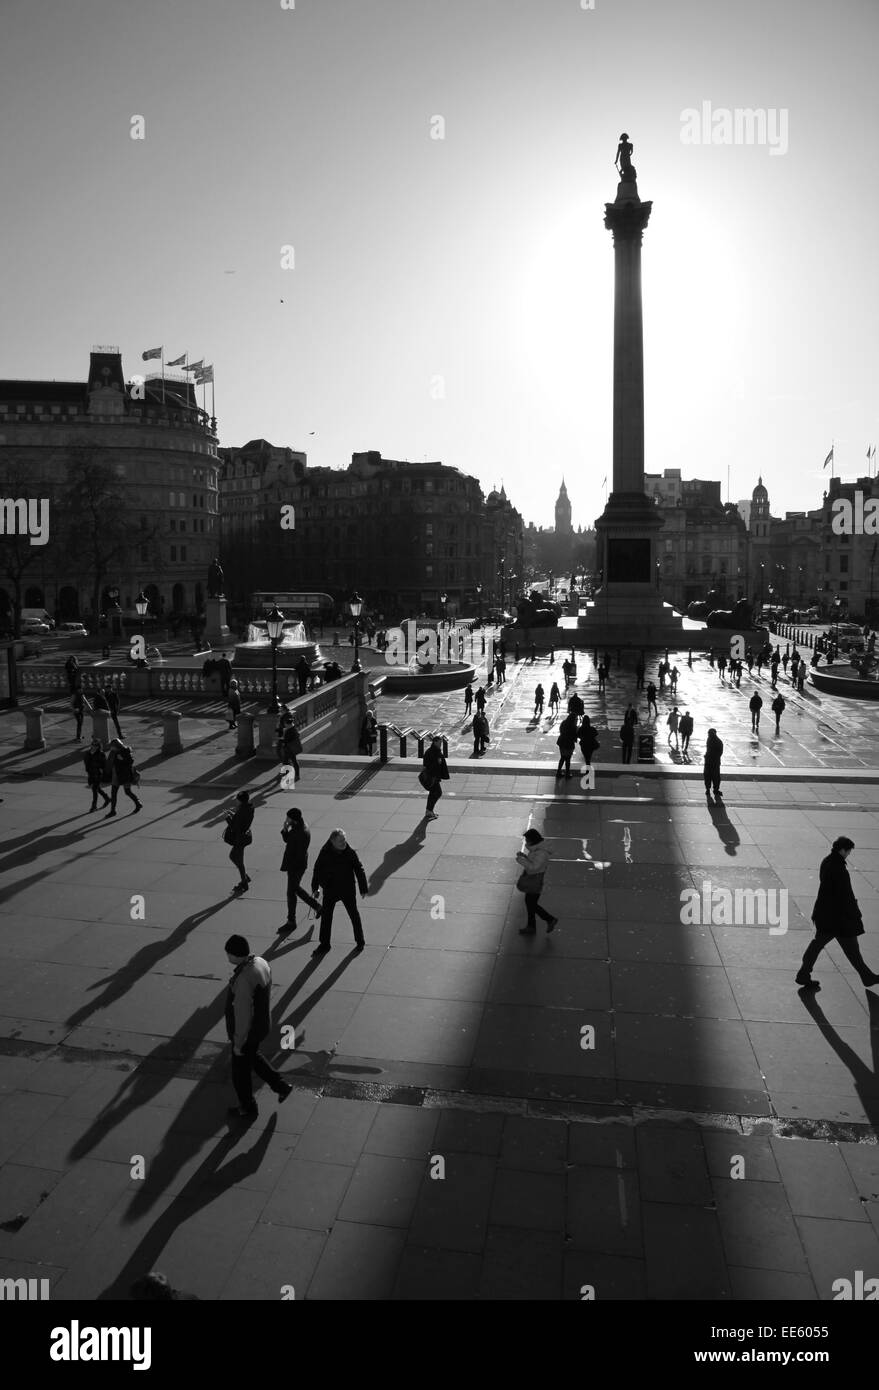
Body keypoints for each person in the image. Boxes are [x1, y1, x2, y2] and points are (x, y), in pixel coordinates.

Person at [224, 934, 292, 1119]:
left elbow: (242, 1015)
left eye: (228, 954)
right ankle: (281, 1086)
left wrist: (238, 1042)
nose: (227, 957)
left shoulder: (244, 979)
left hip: (248, 1032)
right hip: (262, 1024)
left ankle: (247, 1107)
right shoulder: (260, 962)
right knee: (254, 1057)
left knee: (240, 1073)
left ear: (236, 956)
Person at [796, 838, 879, 991]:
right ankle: (867, 977)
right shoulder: (839, 869)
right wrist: (855, 913)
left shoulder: (827, 861)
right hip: (839, 919)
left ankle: (803, 974)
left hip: (825, 915)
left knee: (819, 945)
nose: (849, 854)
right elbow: (845, 895)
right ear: (842, 850)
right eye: (848, 851)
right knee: (851, 950)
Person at [311, 829, 368, 956]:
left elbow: (359, 869)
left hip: (346, 888)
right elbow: (317, 869)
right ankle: (324, 944)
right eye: (341, 841)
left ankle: (360, 941)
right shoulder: (325, 851)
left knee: (353, 915)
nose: (344, 843)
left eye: (344, 840)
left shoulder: (349, 852)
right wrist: (315, 887)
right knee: (326, 917)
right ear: (332, 841)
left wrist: (363, 888)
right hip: (330, 889)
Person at [280, 807, 321, 932]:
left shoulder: (299, 832)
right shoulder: (300, 828)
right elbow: (288, 839)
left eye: (288, 818)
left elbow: (290, 843)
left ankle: (292, 921)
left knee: (292, 891)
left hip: (295, 866)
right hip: (299, 864)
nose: (287, 820)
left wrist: (286, 830)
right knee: (294, 891)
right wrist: (285, 829)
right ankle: (315, 908)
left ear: (293, 819)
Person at [515, 829, 558, 936]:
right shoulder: (537, 850)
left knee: (531, 904)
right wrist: (525, 857)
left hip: (535, 880)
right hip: (534, 879)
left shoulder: (541, 852)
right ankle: (532, 926)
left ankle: (549, 919)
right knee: (530, 903)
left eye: (527, 839)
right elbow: (534, 862)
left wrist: (521, 860)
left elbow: (534, 867)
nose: (526, 842)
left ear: (532, 840)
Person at [224, 789, 254, 893]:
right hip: (245, 836)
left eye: (237, 800)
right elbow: (241, 820)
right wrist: (234, 815)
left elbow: (235, 827)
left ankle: (244, 882)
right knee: (233, 856)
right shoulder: (249, 807)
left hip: (240, 838)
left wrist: (228, 818)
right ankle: (245, 877)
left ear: (240, 801)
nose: (236, 801)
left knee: (238, 860)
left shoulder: (241, 811)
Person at [105, 737, 142, 817]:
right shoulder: (113, 752)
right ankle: (113, 811)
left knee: (127, 791)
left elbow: (131, 761)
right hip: (116, 774)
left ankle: (138, 803)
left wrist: (123, 759)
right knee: (114, 793)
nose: (111, 747)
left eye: (112, 746)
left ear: (116, 746)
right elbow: (109, 763)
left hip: (125, 774)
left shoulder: (125, 751)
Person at [422, 734, 450, 819]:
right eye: (439, 742)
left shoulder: (435, 750)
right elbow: (426, 765)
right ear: (434, 742)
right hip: (432, 777)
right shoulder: (431, 752)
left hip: (434, 776)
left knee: (433, 793)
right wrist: (438, 762)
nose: (440, 744)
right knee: (437, 793)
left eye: (441, 742)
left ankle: (429, 811)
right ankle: (429, 811)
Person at [84, 736, 111, 812]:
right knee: (97, 788)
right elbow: (86, 762)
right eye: (93, 745)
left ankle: (94, 806)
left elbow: (104, 764)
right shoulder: (88, 753)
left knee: (94, 790)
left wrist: (99, 769)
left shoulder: (101, 754)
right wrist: (88, 771)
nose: (94, 746)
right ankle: (107, 798)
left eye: (96, 745)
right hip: (90, 773)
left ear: (99, 746)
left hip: (98, 774)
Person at [556, 711, 578, 779]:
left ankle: (558, 772)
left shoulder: (564, 722)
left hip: (562, 742)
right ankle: (567, 773)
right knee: (568, 759)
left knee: (562, 757)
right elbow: (575, 737)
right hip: (569, 744)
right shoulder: (574, 726)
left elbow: (560, 730)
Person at [703, 728, 723, 798]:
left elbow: (719, 753)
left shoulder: (715, 741)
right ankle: (714, 789)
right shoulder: (714, 740)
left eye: (709, 734)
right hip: (713, 762)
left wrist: (708, 756)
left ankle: (709, 789)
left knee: (709, 776)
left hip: (712, 762)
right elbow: (720, 753)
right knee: (714, 777)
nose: (708, 735)